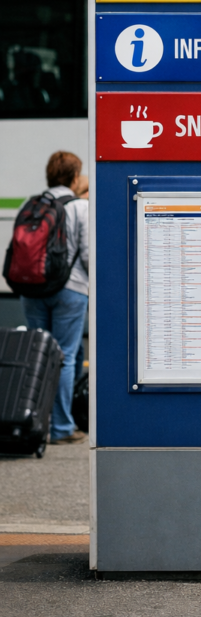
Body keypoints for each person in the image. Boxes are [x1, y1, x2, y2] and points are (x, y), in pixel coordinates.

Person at [21, 151, 89, 444]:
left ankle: (35, 421)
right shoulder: (79, 207)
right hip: (69, 290)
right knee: (65, 356)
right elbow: (87, 254)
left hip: (32, 289)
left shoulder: (33, 203)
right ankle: (61, 428)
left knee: (37, 356)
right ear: (74, 178)